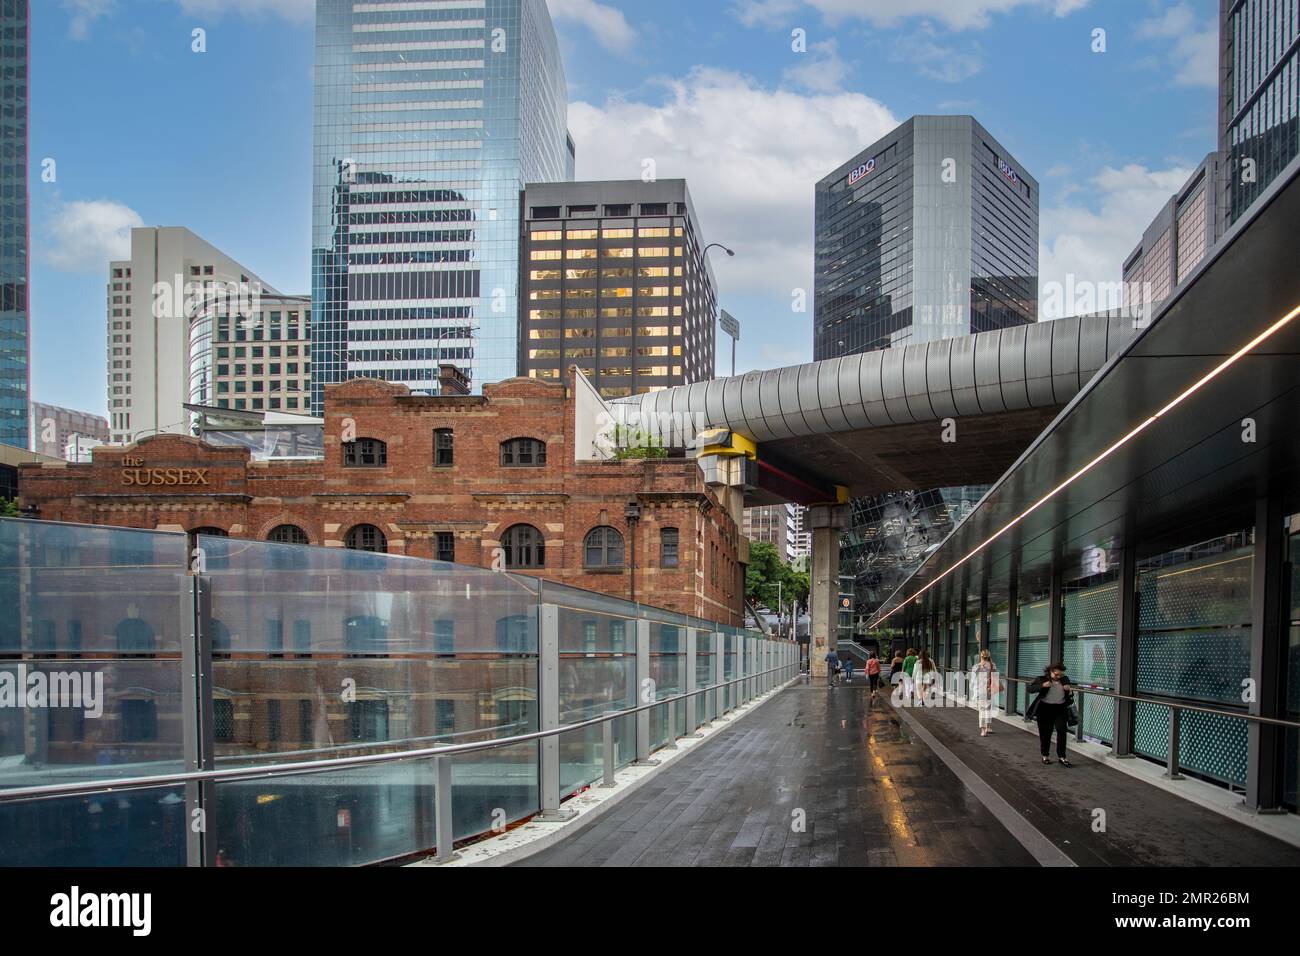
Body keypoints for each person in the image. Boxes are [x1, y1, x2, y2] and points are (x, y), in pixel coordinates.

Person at [1026, 662, 1074, 766]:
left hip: (1060, 708)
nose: (1058, 677)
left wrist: (1070, 692)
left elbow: (1069, 693)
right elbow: (1029, 689)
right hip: (1045, 709)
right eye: (1056, 674)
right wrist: (1042, 686)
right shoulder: (1042, 679)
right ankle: (1045, 755)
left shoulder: (1065, 679)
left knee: (1062, 731)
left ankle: (1062, 757)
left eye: (1060, 675)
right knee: (1046, 733)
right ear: (1050, 672)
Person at [969, 649, 1000, 736]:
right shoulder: (993, 665)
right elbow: (996, 678)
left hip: (980, 691)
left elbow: (972, 680)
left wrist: (971, 689)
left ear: (981, 656)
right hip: (989, 690)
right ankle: (988, 727)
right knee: (988, 709)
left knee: (982, 710)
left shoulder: (976, 667)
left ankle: (983, 730)